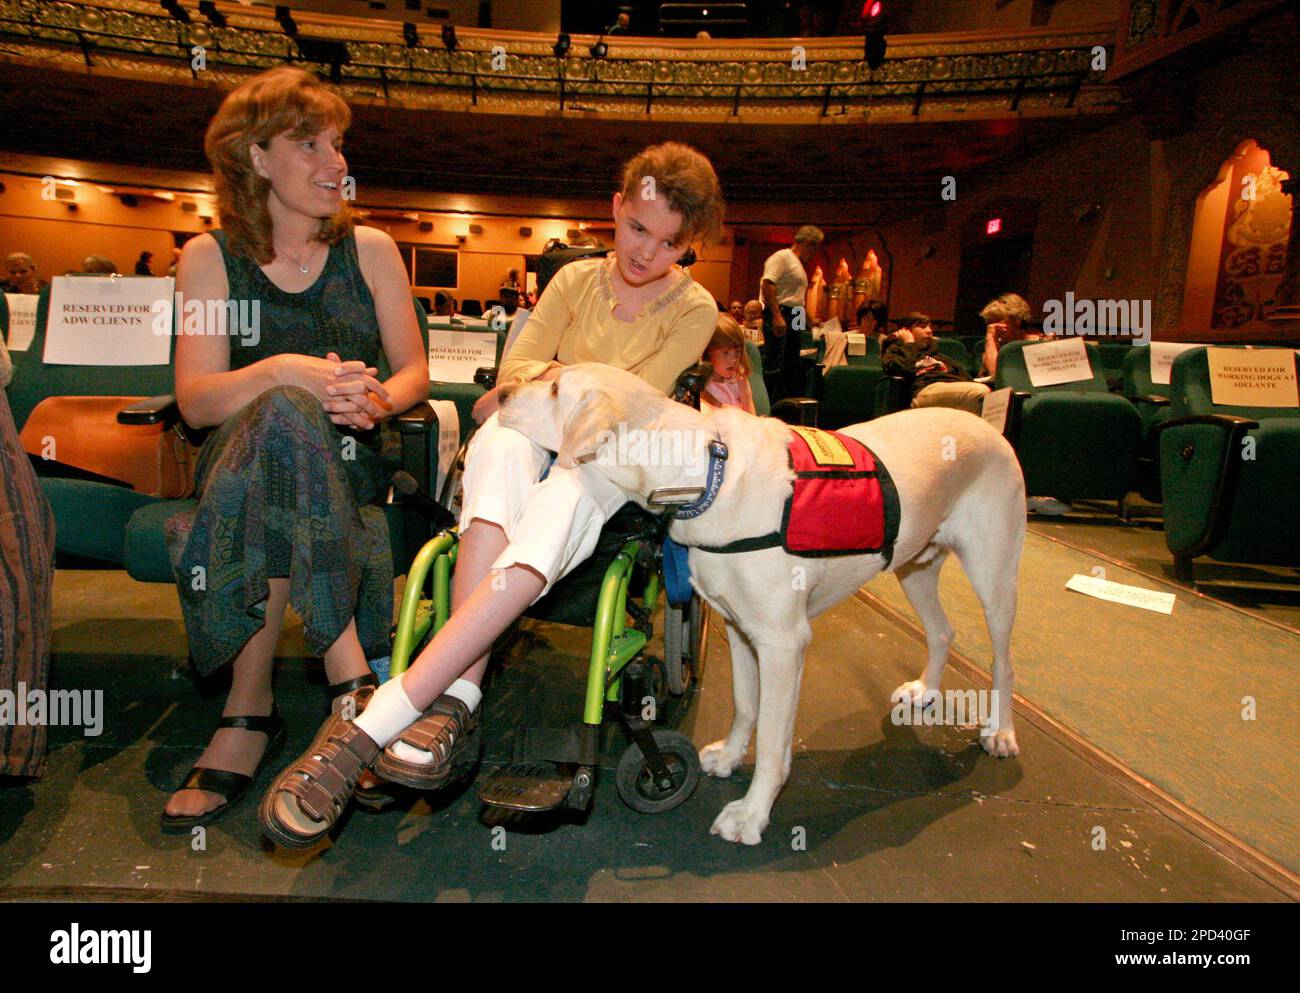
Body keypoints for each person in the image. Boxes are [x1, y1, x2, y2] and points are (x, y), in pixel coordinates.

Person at [259, 141, 724, 848]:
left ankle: (381, 719)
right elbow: (518, 374)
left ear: (686, 248)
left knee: (569, 486)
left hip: (612, 460)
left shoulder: (695, 309)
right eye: (636, 229)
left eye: (668, 245)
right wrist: (567, 385)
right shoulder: (572, 283)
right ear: (616, 208)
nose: (645, 254)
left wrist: (553, 380)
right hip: (534, 431)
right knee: (503, 444)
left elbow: (627, 409)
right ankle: (460, 692)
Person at [159, 66, 429, 830]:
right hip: (235, 461)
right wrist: (285, 371)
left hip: (350, 459)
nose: (335, 162)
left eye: (337, 144)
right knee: (281, 410)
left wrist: (373, 396)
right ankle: (351, 684)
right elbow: (198, 399)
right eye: (309, 144)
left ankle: (249, 711)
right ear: (255, 157)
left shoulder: (371, 248)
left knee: (293, 430)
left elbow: (414, 372)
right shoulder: (209, 257)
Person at [760, 224, 822, 401]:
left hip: (795, 313)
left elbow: (797, 300)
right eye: (814, 248)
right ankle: (770, 404)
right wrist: (777, 316)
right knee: (776, 364)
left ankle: (786, 404)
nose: (814, 253)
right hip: (782, 312)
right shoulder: (782, 257)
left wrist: (810, 322)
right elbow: (768, 283)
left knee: (792, 364)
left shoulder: (799, 265)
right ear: (808, 243)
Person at [882, 312, 988, 415]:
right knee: (979, 392)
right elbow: (903, 369)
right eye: (923, 327)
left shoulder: (938, 356)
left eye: (929, 327)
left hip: (951, 386)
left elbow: (965, 377)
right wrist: (909, 344)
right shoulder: (896, 352)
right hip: (925, 389)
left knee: (992, 395)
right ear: (907, 331)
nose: (929, 331)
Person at [979, 292, 1045, 379]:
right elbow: (996, 376)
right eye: (990, 322)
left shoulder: (1041, 344)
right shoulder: (993, 347)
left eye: (998, 321)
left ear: (1017, 320)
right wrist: (990, 338)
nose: (992, 328)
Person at [702, 315, 756, 414]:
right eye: (726, 352)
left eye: (738, 351)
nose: (734, 359)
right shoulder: (701, 386)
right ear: (707, 352)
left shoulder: (740, 380)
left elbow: (751, 416)